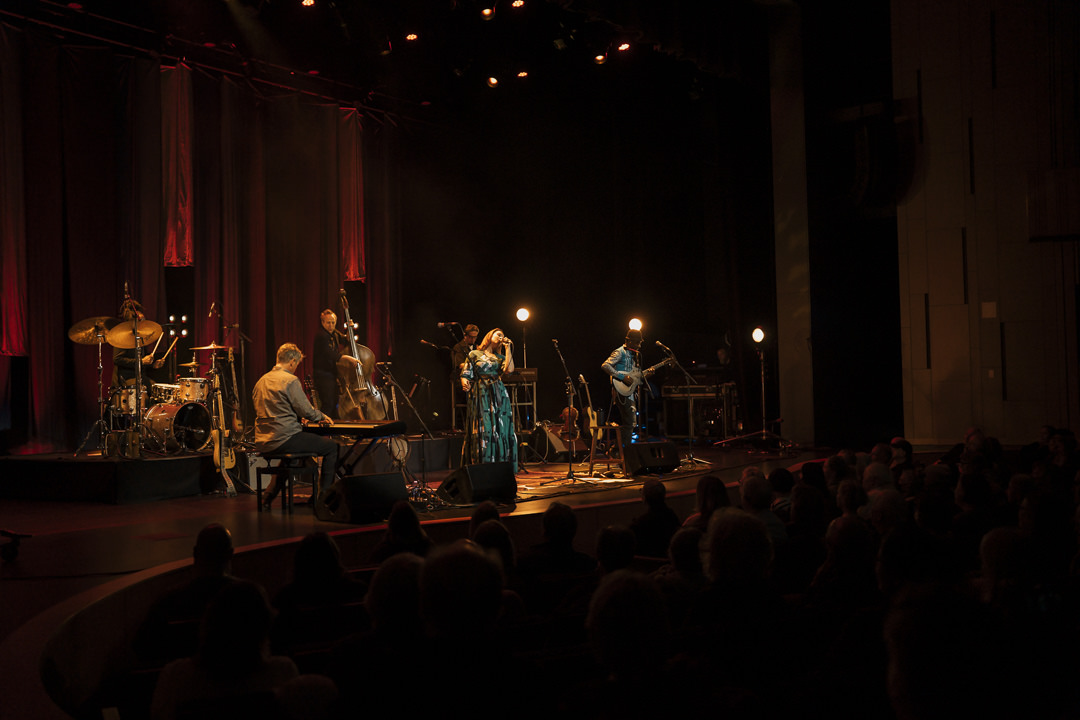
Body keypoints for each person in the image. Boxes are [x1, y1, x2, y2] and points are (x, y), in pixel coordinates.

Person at [251, 343, 338, 507]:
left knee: (290, 457)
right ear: (292, 361)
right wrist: (322, 416)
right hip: (284, 437)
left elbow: (273, 409)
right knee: (331, 447)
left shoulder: (261, 381)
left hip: (263, 440)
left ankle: (267, 498)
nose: (296, 368)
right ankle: (324, 499)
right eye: (297, 364)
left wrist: (295, 417)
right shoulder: (290, 380)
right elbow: (307, 410)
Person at [460, 327, 518, 466]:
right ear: (489, 336)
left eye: (503, 335)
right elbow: (465, 373)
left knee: (500, 426)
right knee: (484, 426)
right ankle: (482, 462)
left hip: (498, 392)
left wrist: (508, 348)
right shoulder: (475, 354)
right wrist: (464, 382)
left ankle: (501, 463)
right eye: (498, 334)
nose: (501, 336)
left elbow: (509, 370)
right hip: (481, 391)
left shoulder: (501, 357)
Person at [601, 328, 643, 449]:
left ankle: (619, 450)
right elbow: (605, 365)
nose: (638, 345)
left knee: (631, 423)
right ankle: (622, 452)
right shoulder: (620, 352)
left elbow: (633, 377)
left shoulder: (635, 356)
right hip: (620, 392)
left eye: (639, 342)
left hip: (629, 392)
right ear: (628, 341)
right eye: (636, 342)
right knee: (629, 422)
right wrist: (621, 377)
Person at [311, 309, 347, 419]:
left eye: (333, 322)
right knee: (328, 403)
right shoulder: (321, 336)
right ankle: (321, 427)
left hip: (331, 374)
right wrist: (346, 358)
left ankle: (333, 430)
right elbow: (329, 353)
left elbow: (346, 341)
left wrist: (350, 329)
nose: (331, 325)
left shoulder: (334, 333)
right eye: (328, 322)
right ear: (322, 322)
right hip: (323, 375)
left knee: (334, 402)